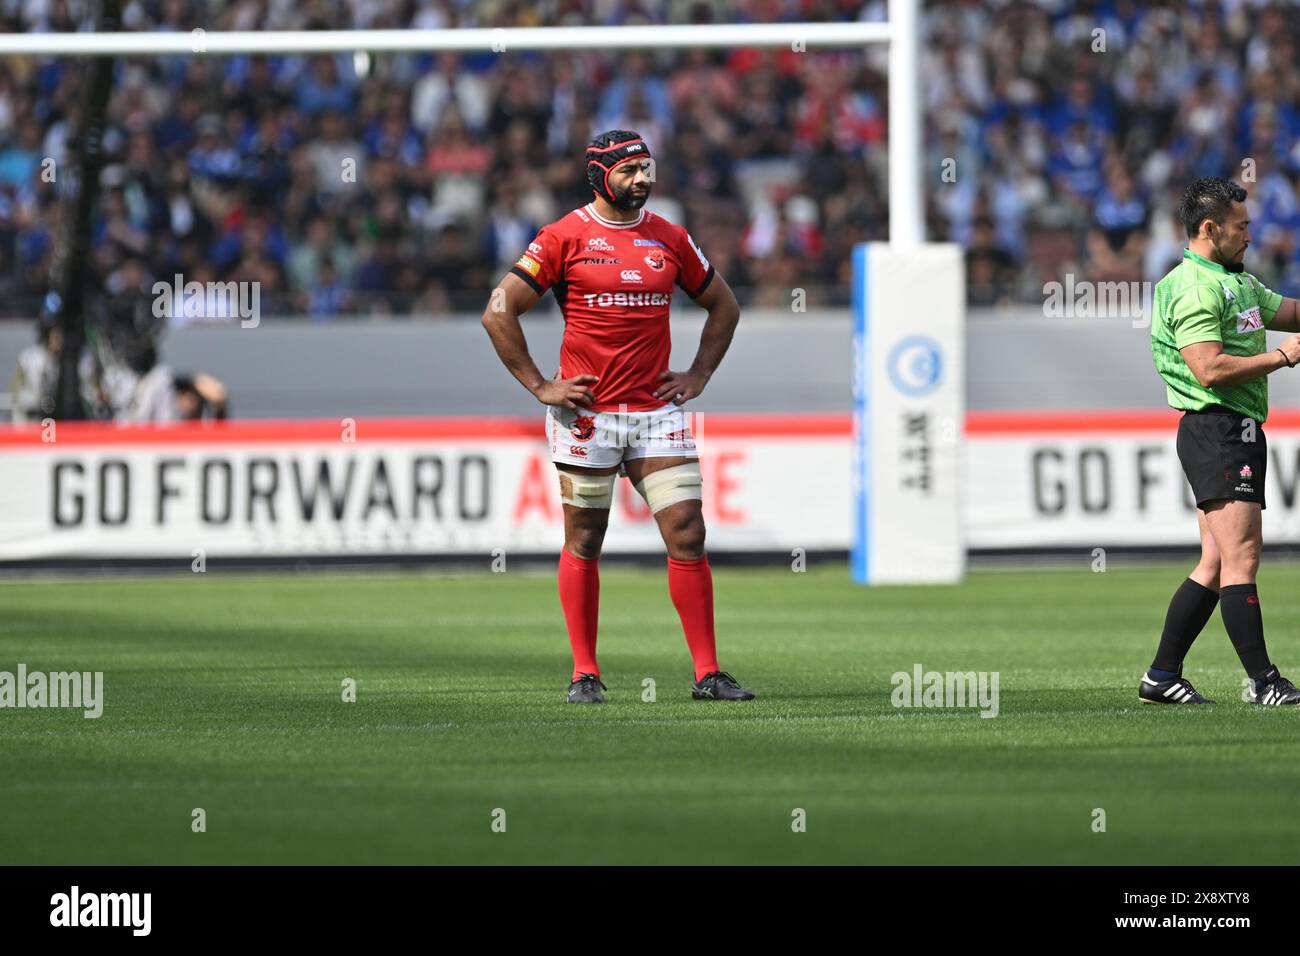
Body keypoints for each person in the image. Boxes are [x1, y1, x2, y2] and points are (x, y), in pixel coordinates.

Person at [481, 129, 753, 704]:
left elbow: (723, 304)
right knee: (586, 539)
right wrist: (539, 385)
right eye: (630, 170)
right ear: (600, 175)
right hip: (589, 415)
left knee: (688, 531)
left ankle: (708, 672)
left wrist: (698, 374)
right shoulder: (563, 237)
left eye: (647, 169)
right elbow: (498, 311)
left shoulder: (670, 238)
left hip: (656, 412)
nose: (643, 180)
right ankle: (585, 673)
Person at [1144, 176, 1300, 705]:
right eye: (1241, 226)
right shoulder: (1196, 287)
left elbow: (1290, 314)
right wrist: (1281, 357)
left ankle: (1162, 676)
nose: (1250, 235)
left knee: (1215, 562)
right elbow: (1207, 368)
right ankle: (1265, 681)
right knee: (1243, 555)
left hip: (1231, 428)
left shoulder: (1236, 281)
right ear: (1210, 229)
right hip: (1218, 426)